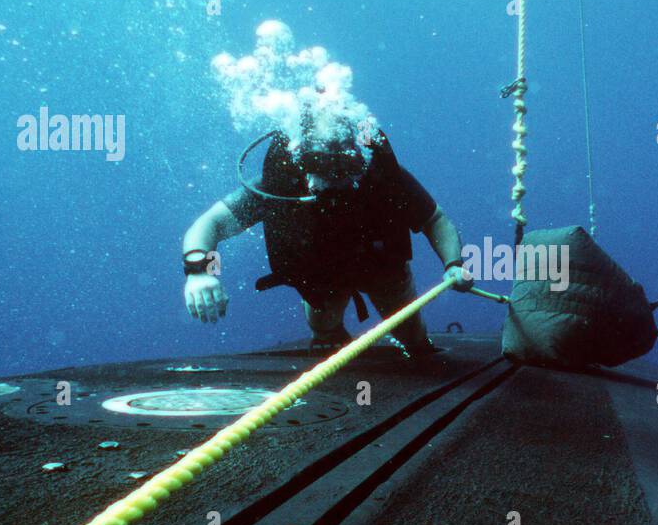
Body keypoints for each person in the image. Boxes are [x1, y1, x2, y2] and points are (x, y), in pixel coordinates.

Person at [181, 121, 470, 356]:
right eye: (325, 170)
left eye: (344, 173)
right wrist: (200, 273)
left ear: (360, 161)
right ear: (302, 162)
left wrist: (453, 263)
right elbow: (210, 225)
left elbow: (435, 220)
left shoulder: (384, 179)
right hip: (319, 275)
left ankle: (416, 345)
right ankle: (329, 333)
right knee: (325, 325)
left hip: (382, 266)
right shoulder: (279, 187)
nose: (335, 183)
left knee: (411, 333)